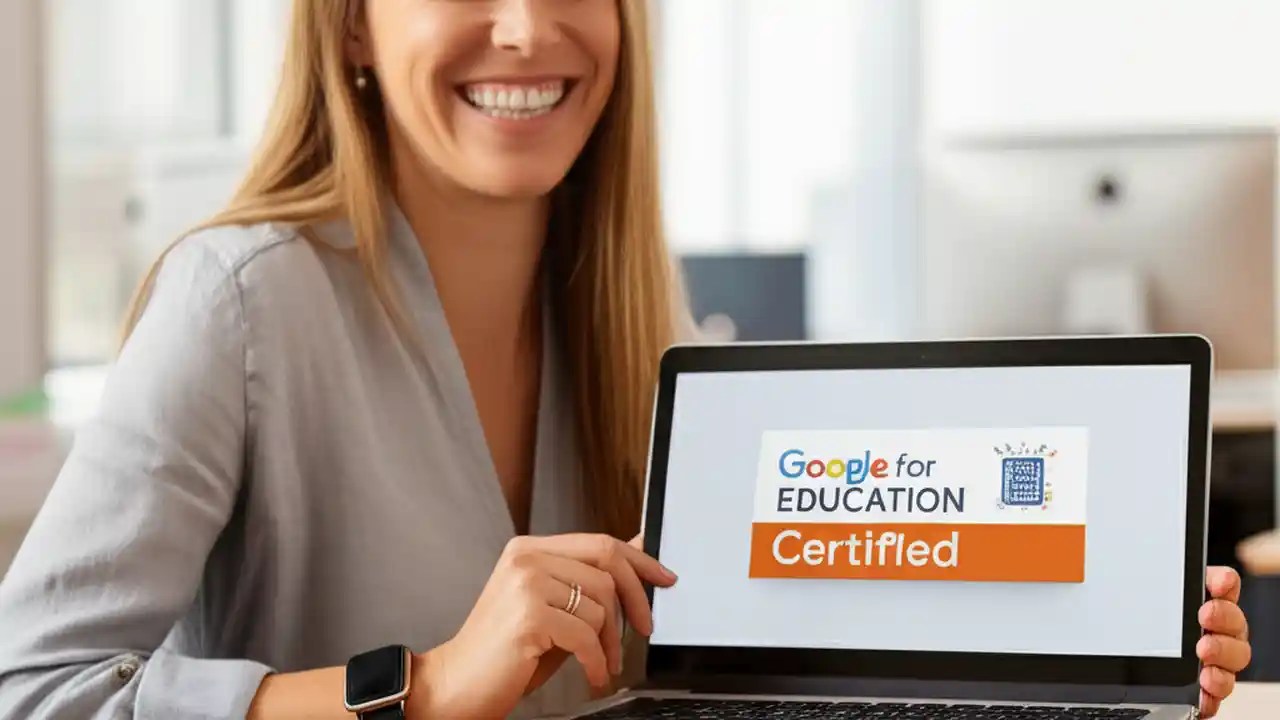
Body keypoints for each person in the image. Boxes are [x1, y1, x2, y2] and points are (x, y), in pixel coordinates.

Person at [0, 1, 1252, 718]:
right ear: (353, 30)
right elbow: (34, 689)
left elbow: (771, 650)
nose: (524, 27)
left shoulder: (646, 324)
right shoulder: (236, 303)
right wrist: (420, 690)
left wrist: (1088, 664)